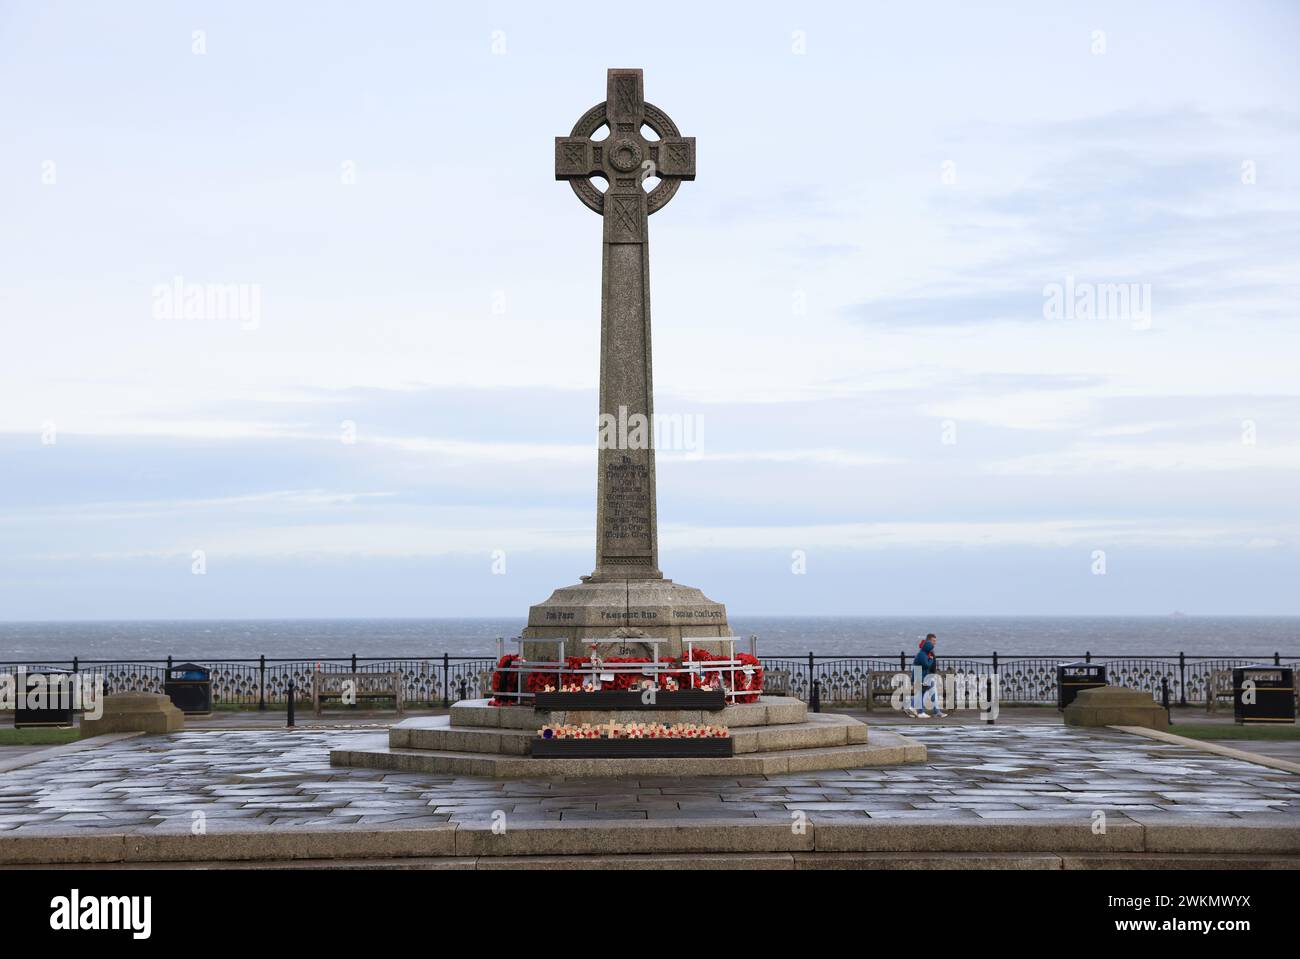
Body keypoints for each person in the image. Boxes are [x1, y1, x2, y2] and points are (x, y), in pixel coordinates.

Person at [904, 633, 948, 719]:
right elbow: (926, 664)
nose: (935, 643)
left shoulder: (928, 652)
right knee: (923, 692)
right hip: (923, 676)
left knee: (924, 692)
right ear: (928, 641)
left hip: (927, 675)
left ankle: (913, 706)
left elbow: (931, 664)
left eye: (935, 641)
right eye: (933, 641)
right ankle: (930, 711)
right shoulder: (924, 653)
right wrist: (931, 661)